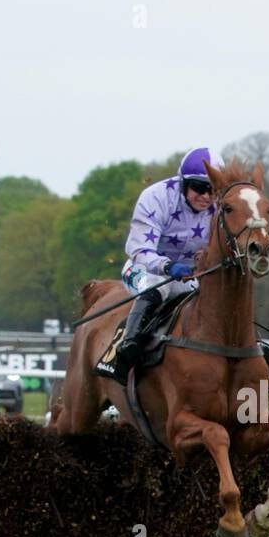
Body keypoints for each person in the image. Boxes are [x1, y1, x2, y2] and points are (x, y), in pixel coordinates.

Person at [97, 146, 222, 382]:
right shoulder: (156, 197)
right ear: (183, 183)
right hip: (145, 270)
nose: (207, 196)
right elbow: (139, 249)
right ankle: (125, 349)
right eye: (199, 187)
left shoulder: (221, 206)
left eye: (213, 189)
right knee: (158, 285)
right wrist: (167, 266)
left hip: (191, 277)